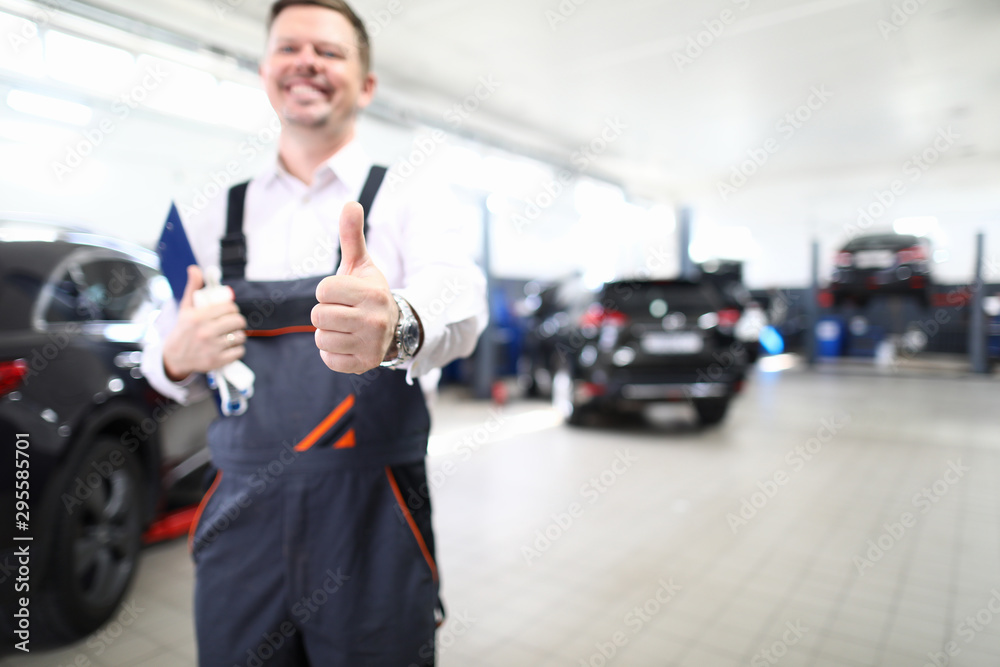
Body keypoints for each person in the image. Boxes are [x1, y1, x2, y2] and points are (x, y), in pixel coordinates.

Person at [140, 1, 488, 664]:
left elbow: (462, 303)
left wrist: (399, 326)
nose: (306, 62)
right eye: (289, 47)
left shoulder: (411, 197)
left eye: (329, 52)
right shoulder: (207, 212)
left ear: (366, 84)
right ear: (267, 69)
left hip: (374, 514)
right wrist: (177, 357)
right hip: (242, 517)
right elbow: (157, 349)